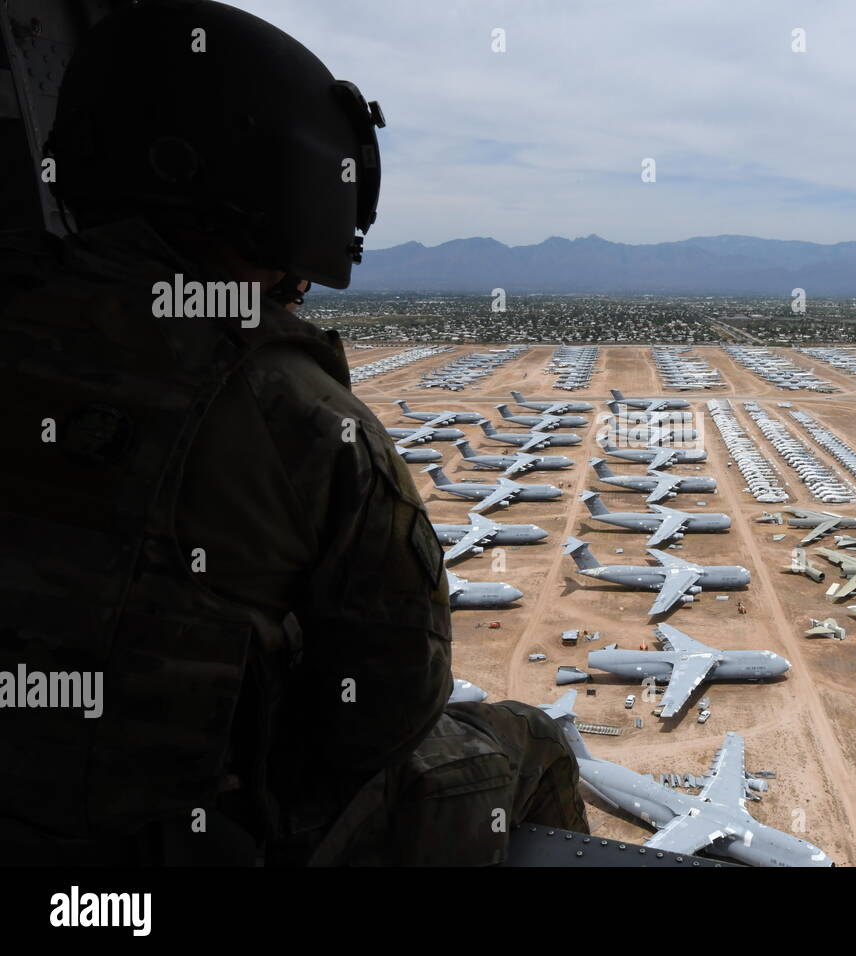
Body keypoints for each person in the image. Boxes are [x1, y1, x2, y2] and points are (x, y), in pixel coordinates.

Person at [0, 0, 586, 866]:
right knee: (531, 740)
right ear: (285, 187)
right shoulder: (296, 413)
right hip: (174, 847)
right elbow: (392, 702)